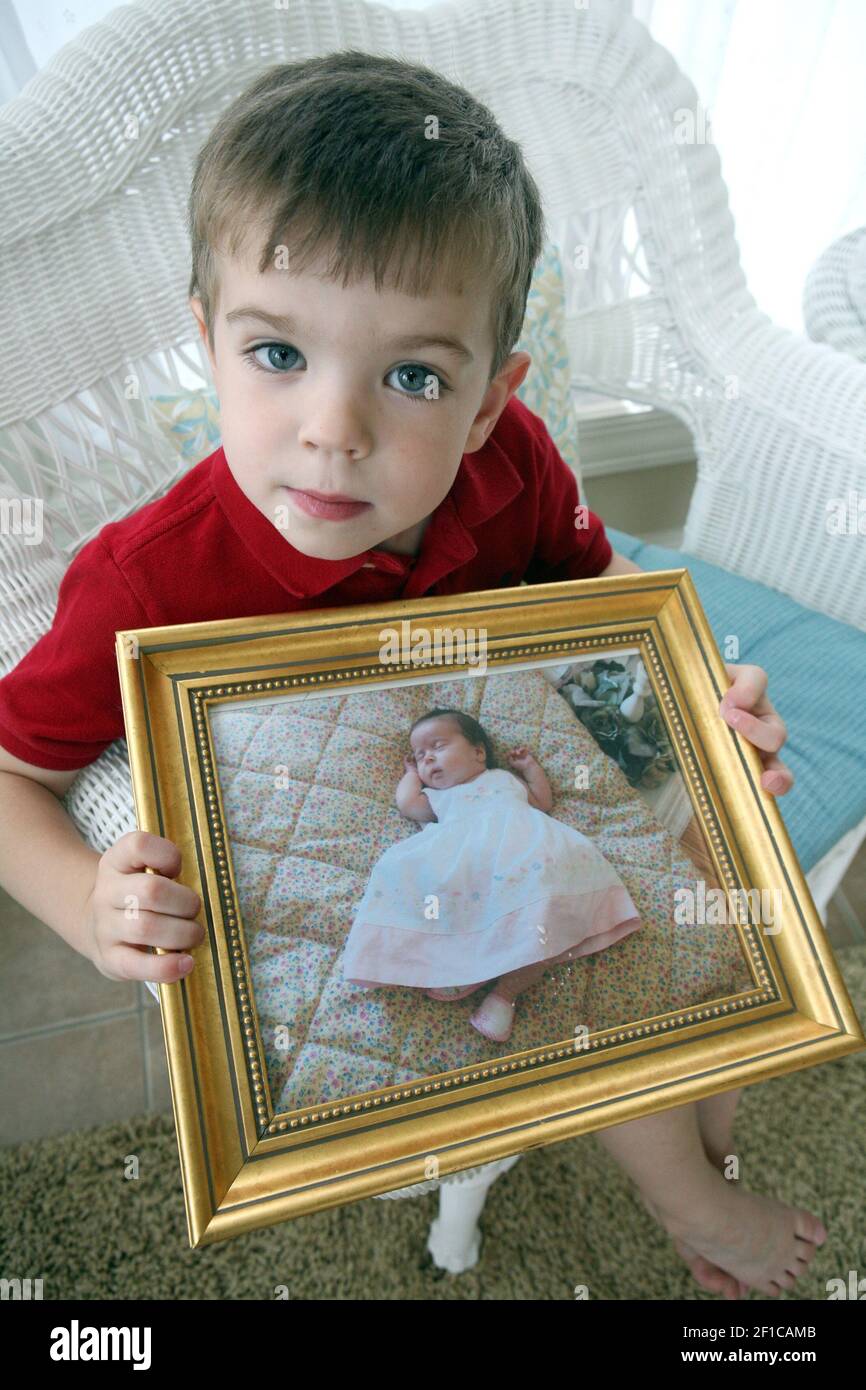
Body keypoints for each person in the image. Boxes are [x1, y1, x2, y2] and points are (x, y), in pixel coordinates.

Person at [0, 51, 822, 1299]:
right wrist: (82, 903)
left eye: (413, 377)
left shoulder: (514, 468)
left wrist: (698, 714)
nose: (334, 428)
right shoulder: (144, 582)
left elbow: (593, 612)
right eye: (277, 354)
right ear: (205, 342)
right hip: (392, 857)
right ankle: (686, 1202)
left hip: (515, 767)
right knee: (584, 968)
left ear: (491, 403)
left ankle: (691, 1139)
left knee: (710, 938)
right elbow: (10, 773)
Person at [342, 708, 641, 1043]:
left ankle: (504, 994)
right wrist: (411, 774)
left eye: (437, 746)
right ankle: (461, 967)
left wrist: (530, 768)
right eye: (420, 755)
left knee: (545, 920)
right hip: (470, 868)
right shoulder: (438, 798)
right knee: (418, 879)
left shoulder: (504, 780)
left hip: (525, 858)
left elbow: (541, 802)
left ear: (478, 752)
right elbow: (407, 804)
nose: (427, 759)